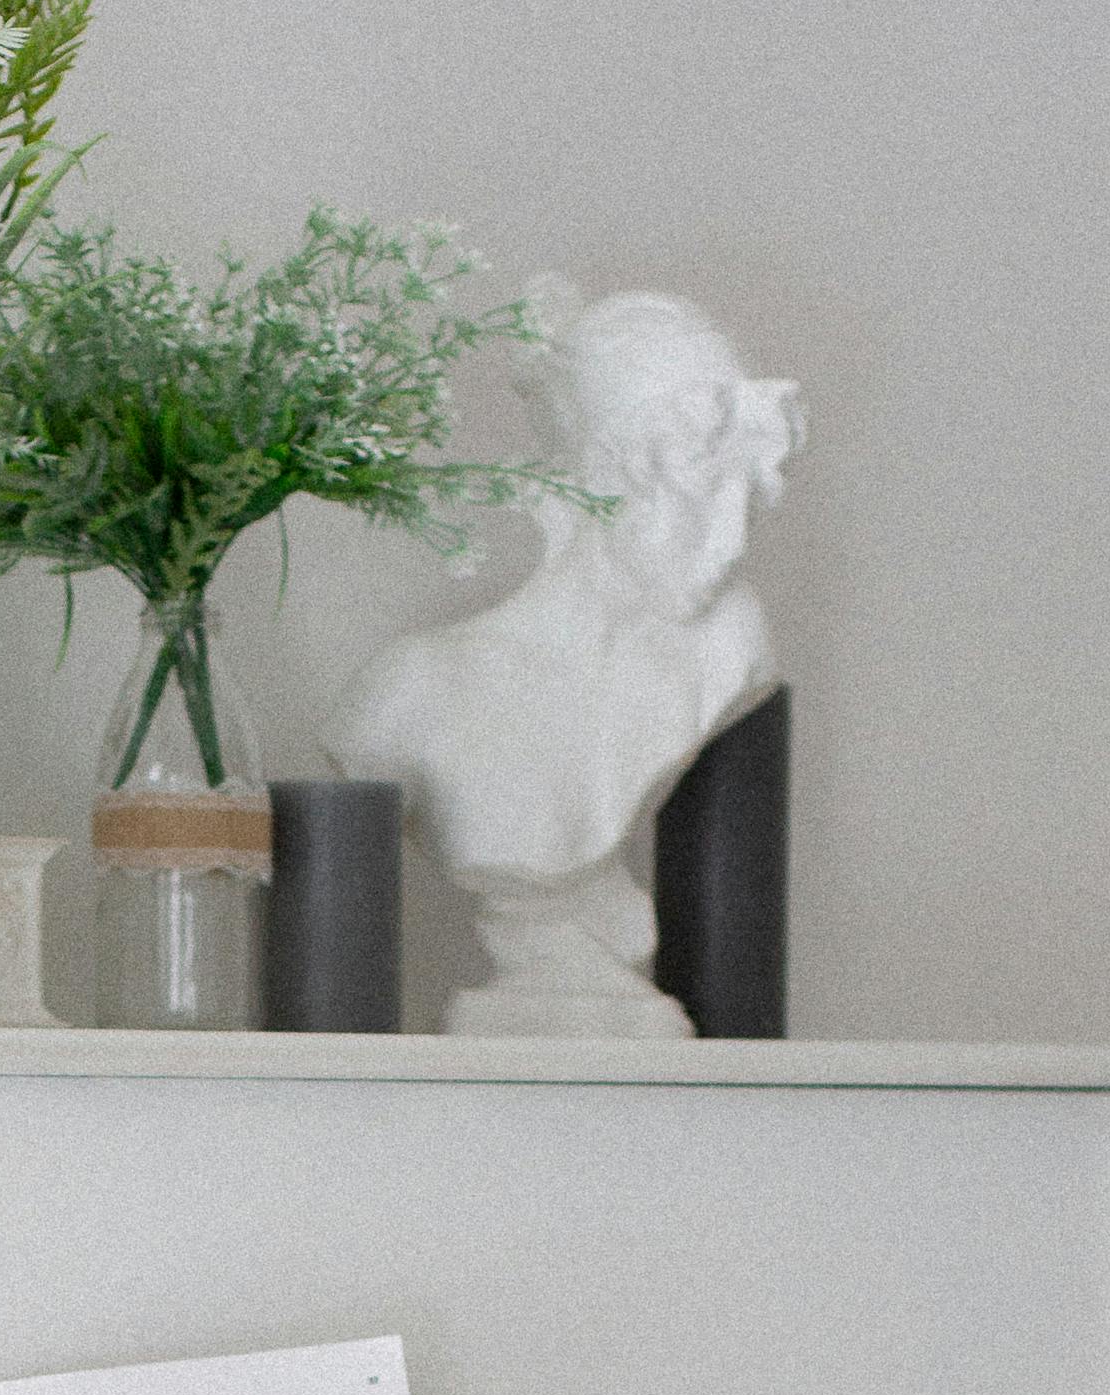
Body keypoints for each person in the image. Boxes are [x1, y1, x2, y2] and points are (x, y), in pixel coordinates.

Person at [340, 293, 802, 1033]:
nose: (732, 541)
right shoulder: (411, 695)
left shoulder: (728, 648)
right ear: (598, 477)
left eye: (748, 497)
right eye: (706, 488)